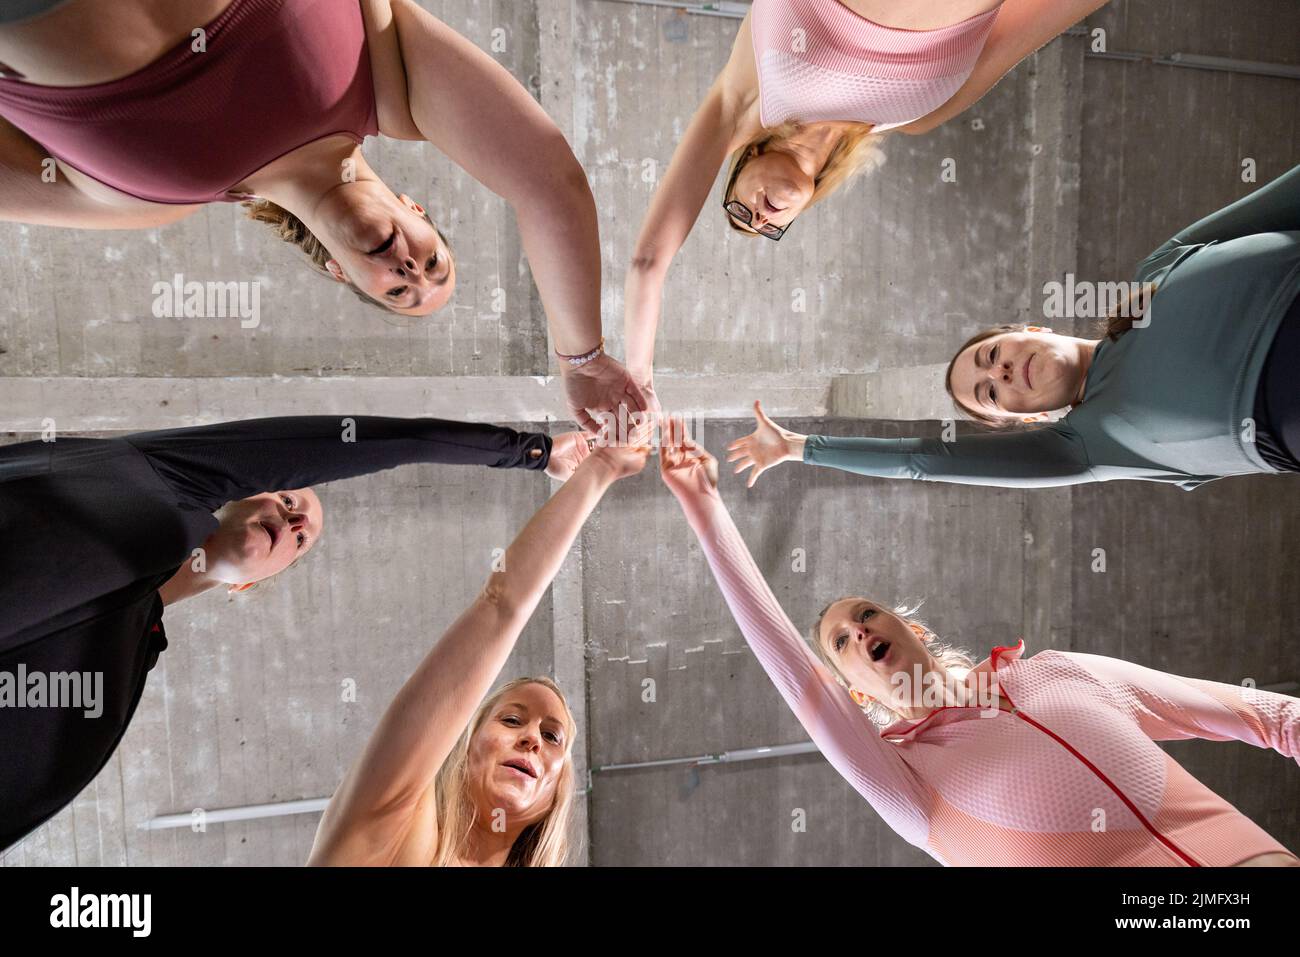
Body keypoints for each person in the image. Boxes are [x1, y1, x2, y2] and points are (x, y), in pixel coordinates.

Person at [659, 418, 1299, 866]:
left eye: (867, 614)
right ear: (852, 690)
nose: (860, 630)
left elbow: (1268, 716)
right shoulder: (908, 781)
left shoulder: (1058, 672)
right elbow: (792, 672)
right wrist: (706, 509)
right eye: (842, 643)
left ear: (915, 629)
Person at [0, 0, 645, 430]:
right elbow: (550, 183)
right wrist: (584, 360)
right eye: (433, 262)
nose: (410, 270)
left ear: (340, 272)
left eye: (398, 290)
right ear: (415, 210)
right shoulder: (392, 84)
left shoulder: (150, 206)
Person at [0, 413, 590, 851]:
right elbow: (375, 441)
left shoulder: (124, 664)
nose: (297, 517)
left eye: (302, 539)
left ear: (248, 584)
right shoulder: (151, 478)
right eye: (287, 493)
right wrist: (534, 453)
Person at [623, 0, 1108, 409]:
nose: (762, 215)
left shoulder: (744, 102)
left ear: (743, 159)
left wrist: (639, 380)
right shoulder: (916, 117)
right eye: (768, 226)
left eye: (741, 210)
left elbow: (648, 262)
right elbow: (1027, 24)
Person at [729, 164, 1300, 491]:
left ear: (1032, 328)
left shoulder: (1160, 266)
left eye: (991, 356)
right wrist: (802, 448)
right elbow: (922, 460)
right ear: (1024, 419)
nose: (999, 372)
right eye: (990, 393)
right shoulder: (1083, 446)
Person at [308, 430, 650, 865]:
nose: (531, 739)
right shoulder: (390, 830)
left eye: (552, 737)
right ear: (463, 745)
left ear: (558, 789)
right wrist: (601, 467)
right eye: (511, 720)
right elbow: (499, 606)